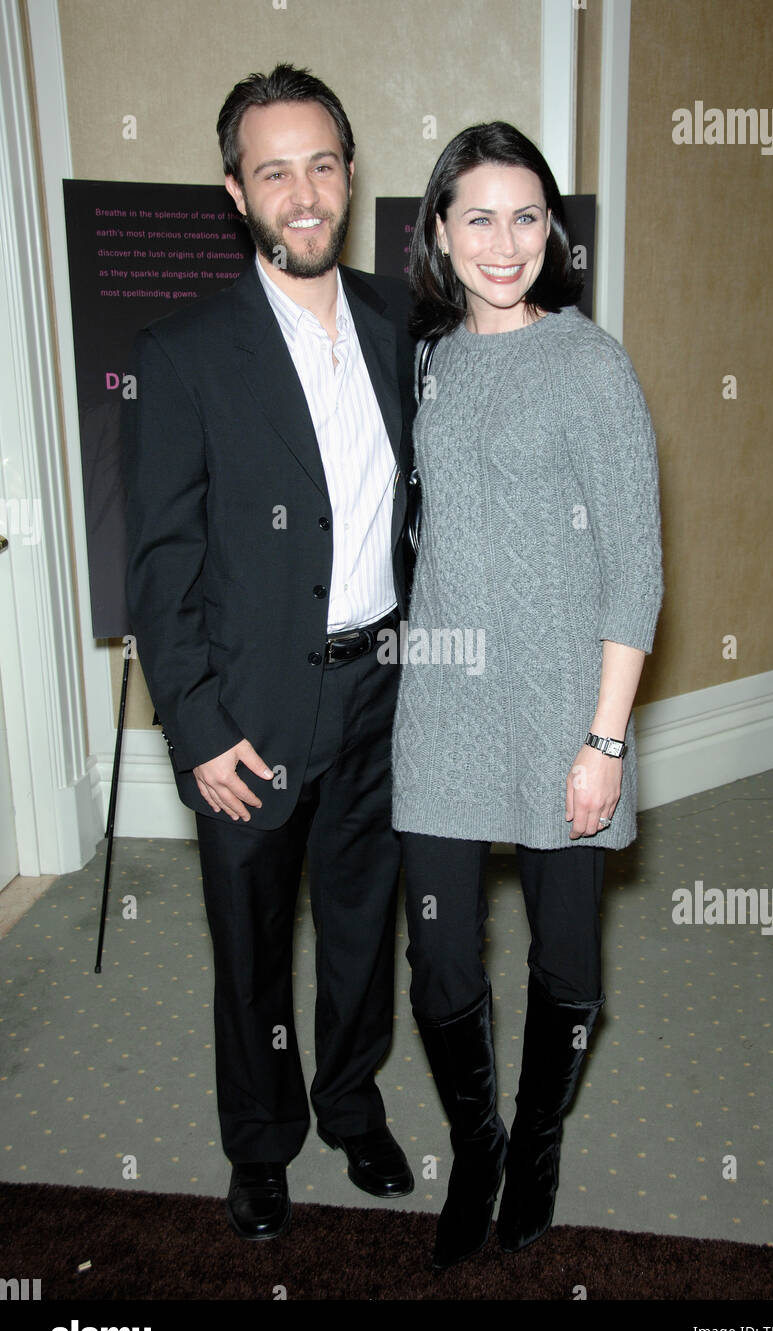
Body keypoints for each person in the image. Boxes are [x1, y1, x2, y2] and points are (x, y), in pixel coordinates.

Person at [125, 63, 417, 1241]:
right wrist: (195, 727)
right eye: (274, 171)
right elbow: (159, 564)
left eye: (322, 165)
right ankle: (260, 1142)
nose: (303, 194)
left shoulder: (402, 326)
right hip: (246, 712)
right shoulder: (185, 351)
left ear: (349, 176)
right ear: (235, 189)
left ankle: (351, 1105)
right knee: (249, 951)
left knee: (362, 926)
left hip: (384, 695)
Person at [390, 121, 663, 1270]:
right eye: (478, 217)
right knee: (441, 959)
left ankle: (538, 1145)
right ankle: (479, 1140)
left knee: (566, 959)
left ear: (551, 229)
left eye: (526, 216)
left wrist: (602, 740)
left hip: (564, 710)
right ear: (440, 233)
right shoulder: (430, 358)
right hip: (441, 709)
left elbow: (634, 572)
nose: (504, 243)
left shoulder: (590, 362)